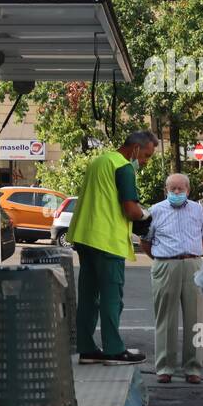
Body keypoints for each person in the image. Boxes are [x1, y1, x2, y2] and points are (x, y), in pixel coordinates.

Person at [68, 130, 158, 365]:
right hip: (107, 240)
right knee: (111, 297)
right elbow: (130, 209)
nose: (146, 162)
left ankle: (86, 349)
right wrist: (145, 214)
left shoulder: (99, 161)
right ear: (136, 149)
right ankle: (114, 350)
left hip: (84, 237)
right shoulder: (123, 167)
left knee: (88, 296)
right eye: (146, 155)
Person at [140, 174, 203, 384]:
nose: (177, 192)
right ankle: (164, 367)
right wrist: (163, 258)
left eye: (181, 189)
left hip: (193, 264)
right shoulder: (155, 211)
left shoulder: (198, 210)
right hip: (165, 264)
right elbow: (146, 242)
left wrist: (191, 254)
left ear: (188, 190)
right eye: (173, 189)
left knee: (197, 319)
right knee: (165, 318)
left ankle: (194, 368)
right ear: (166, 190)